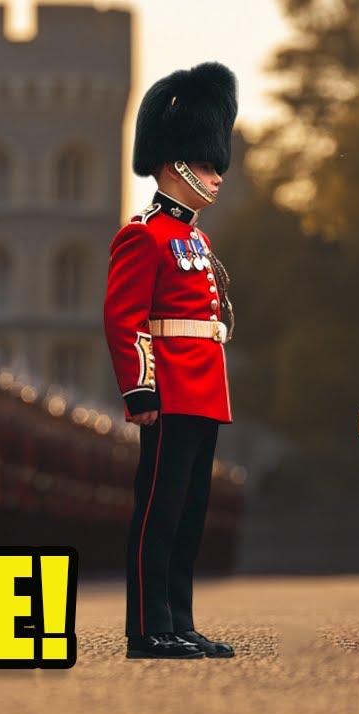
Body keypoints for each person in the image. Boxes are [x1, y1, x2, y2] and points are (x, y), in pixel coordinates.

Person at [103, 61, 238, 660]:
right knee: (158, 516)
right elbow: (123, 317)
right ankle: (146, 628)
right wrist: (140, 389)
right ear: (173, 162)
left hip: (205, 391)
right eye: (207, 164)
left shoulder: (197, 240)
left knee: (188, 519)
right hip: (171, 391)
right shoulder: (145, 235)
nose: (215, 176)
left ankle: (179, 623)